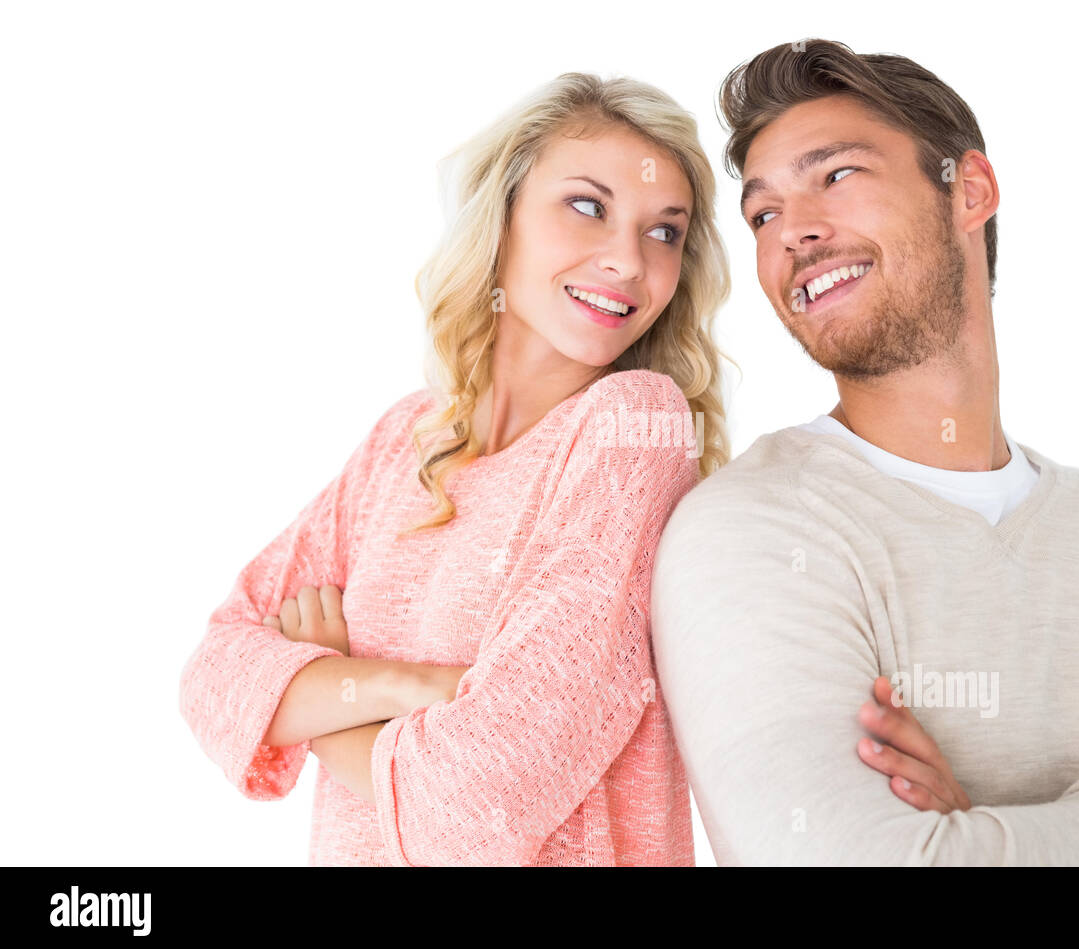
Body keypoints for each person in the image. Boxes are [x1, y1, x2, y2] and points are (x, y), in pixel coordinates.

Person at [649, 39, 1079, 865]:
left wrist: (974, 837)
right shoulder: (749, 533)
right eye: (764, 213)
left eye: (837, 175)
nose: (794, 234)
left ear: (971, 191)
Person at [179, 72, 733, 866]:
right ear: (501, 216)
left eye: (665, 231)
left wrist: (325, 699)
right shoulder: (409, 437)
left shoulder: (633, 426)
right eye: (588, 205)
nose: (627, 260)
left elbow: (485, 797)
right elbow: (214, 677)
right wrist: (408, 688)